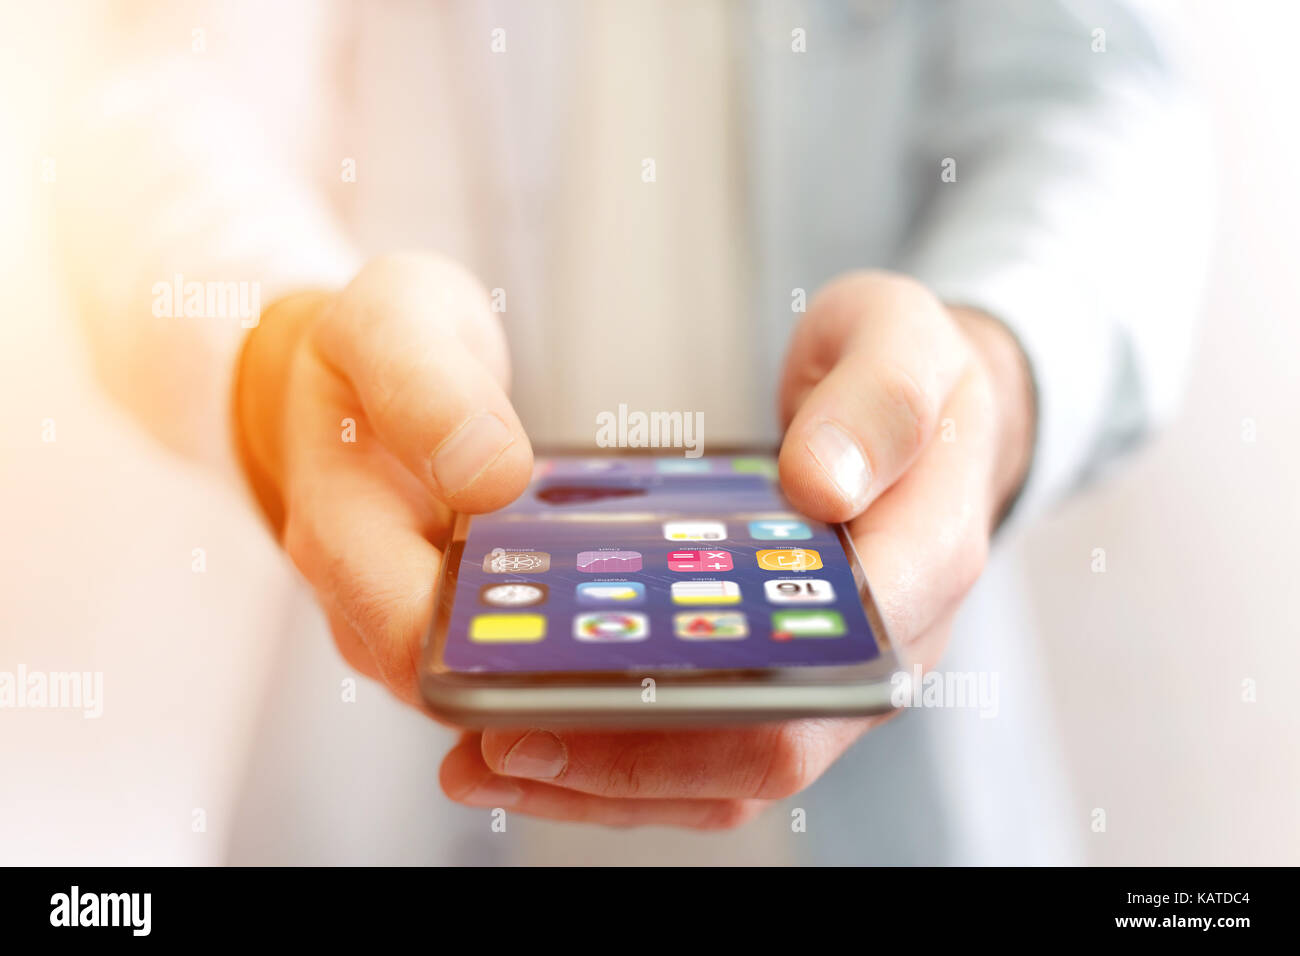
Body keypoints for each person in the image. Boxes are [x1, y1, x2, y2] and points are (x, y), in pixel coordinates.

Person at [54, 0, 1209, 862]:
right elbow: (164, 95)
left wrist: (991, 373)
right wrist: (278, 357)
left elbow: (1098, 101)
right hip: (383, 781)